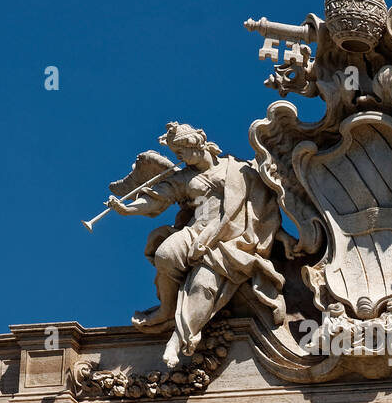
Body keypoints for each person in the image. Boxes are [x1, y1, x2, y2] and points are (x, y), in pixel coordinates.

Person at [106, 122, 286, 367]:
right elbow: (157, 198)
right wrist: (127, 209)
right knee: (165, 254)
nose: (179, 158)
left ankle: (177, 340)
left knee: (202, 285)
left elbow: (262, 204)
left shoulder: (240, 169)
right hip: (197, 230)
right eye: (176, 154)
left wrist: (279, 234)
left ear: (197, 144)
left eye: (181, 152)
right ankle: (166, 309)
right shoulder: (185, 178)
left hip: (232, 239)